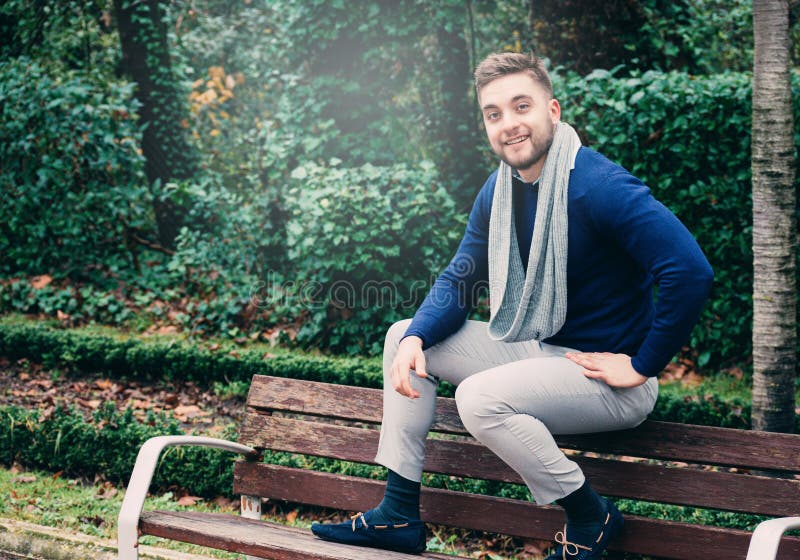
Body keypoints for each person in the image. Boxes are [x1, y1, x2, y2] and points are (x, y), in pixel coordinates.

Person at [311, 51, 714, 559]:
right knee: (402, 335)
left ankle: (592, 520)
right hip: (538, 352)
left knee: (478, 399)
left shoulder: (599, 187)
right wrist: (417, 336)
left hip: (604, 380)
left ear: (553, 110)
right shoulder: (501, 191)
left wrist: (642, 365)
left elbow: (689, 271)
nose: (508, 124)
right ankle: (397, 515)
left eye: (521, 106)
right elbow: (461, 277)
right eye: (493, 113)